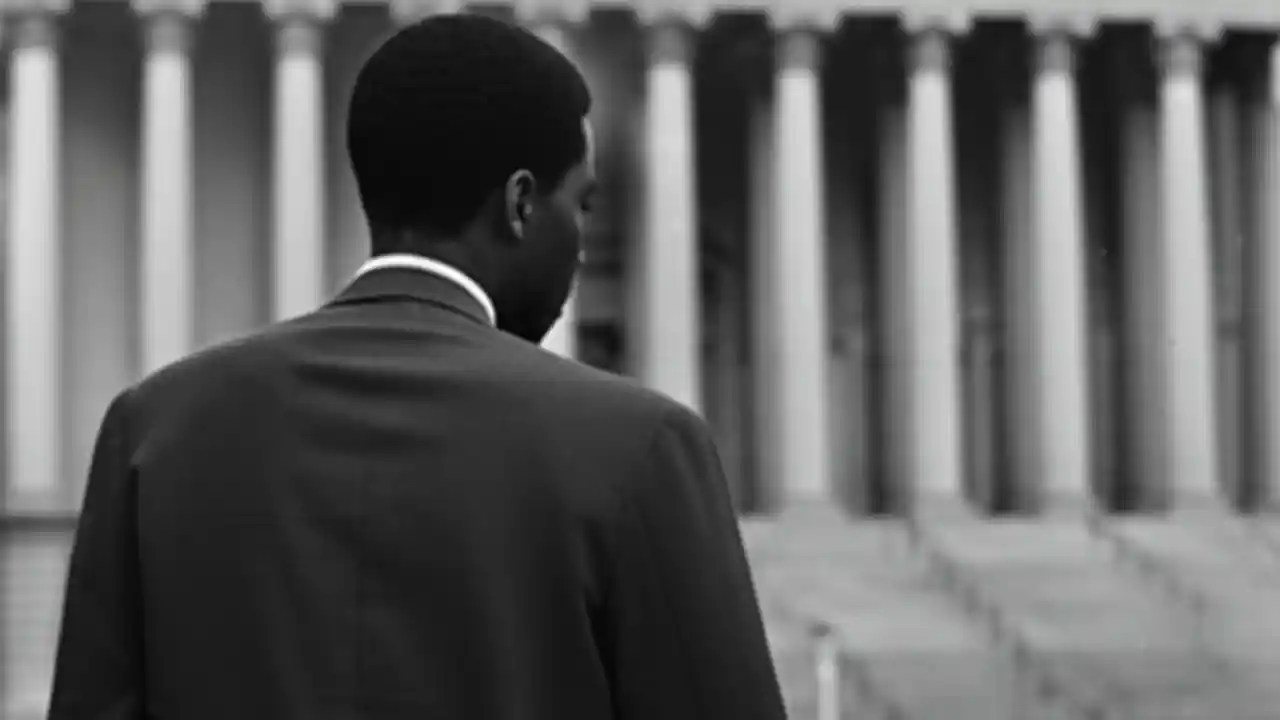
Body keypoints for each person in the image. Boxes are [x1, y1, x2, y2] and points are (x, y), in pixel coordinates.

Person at [46, 13, 787, 720]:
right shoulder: (642, 447)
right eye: (581, 206)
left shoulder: (153, 433)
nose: (582, 246)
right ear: (521, 204)